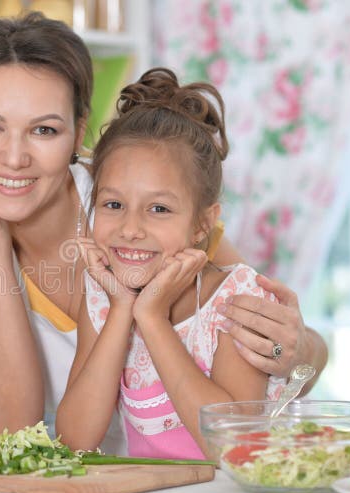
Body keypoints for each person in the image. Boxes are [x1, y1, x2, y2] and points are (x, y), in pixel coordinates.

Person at [0, 13, 327, 440]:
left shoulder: (138, 194)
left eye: (44, 129)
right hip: (82, 478)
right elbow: (5, 427)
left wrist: (299, 351)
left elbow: (279, 351)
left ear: (78, 134)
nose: (15, 157)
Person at [56, 68, 283, 458]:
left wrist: (153, 319)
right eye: (113, 205)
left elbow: (234, 449)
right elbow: (75, 439)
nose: (130, 229)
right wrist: (123, 310)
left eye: (159, 209)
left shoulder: (236, 302)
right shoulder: (101, 296)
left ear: (202, 224)